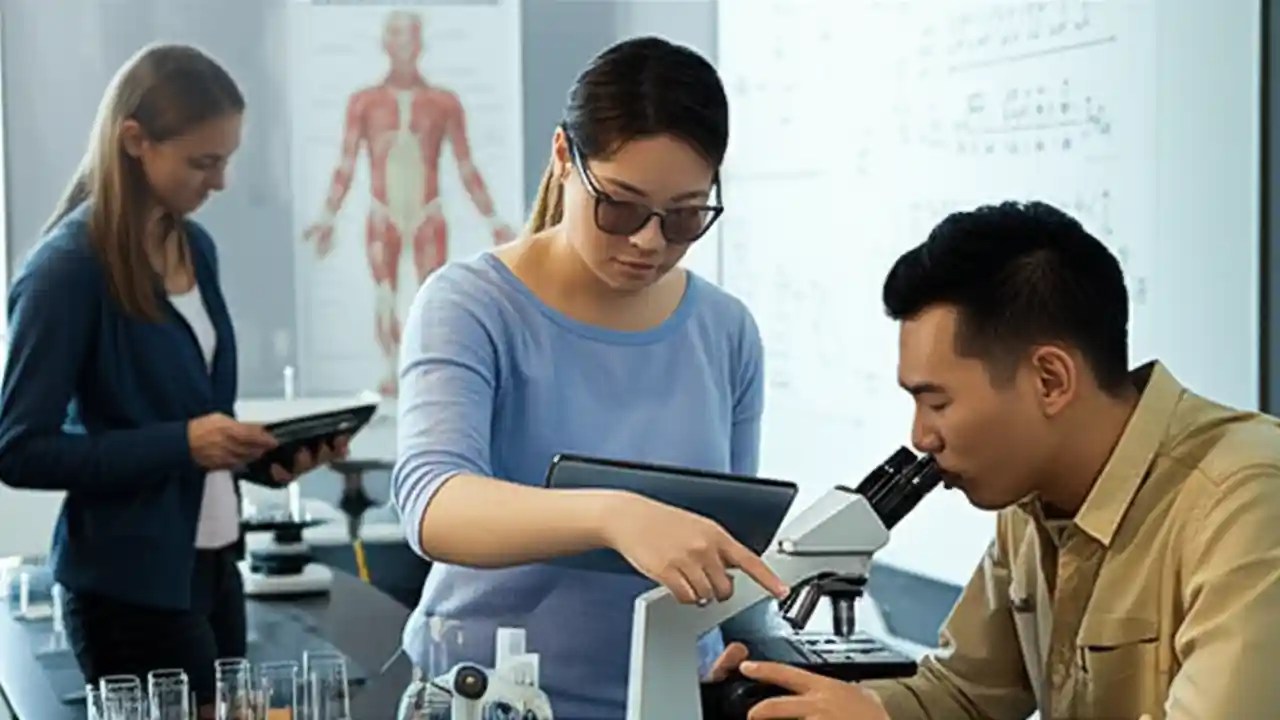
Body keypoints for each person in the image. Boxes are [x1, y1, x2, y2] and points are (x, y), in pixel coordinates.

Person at [710, 200, 1280, 719]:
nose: (921, 437)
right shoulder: (1032, 504)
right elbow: (964, 693)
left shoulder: (1246, 499)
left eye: (937, 402)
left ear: (1050, 380)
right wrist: (818, 704)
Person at [390, 36, 789, 720]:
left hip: (669, 703)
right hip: (493, 704)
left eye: (685, 215)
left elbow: (727, 551)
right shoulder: (471, 305)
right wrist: (613, 514)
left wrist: (770, 659)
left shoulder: (725, 332)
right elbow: (433, 503)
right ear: (561, 159)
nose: (648, 242)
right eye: (622, 206)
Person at [0, 44, 346, 718]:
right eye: (203, 162)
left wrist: (266, 460)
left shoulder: (196, 249)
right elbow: (16, 448)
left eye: (226, 159)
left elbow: (191, 422)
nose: (219, 182)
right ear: (135, 141)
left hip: (213, 567)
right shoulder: (65, 273)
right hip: (125, 588)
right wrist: (183, 445)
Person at [304, 9, 517, 397]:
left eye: (411, 36)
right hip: (383, 211)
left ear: (421, 44)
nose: (405, 44)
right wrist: (327, 216)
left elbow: (466, 165)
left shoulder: (443, 103)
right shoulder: (365, 102)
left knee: (430, 295)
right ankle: (390, 370)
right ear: (385, 43)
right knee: (385, 294)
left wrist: (495, 219)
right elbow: (347, 164)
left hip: (427, 212)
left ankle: (425, 371)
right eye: (397, 35)